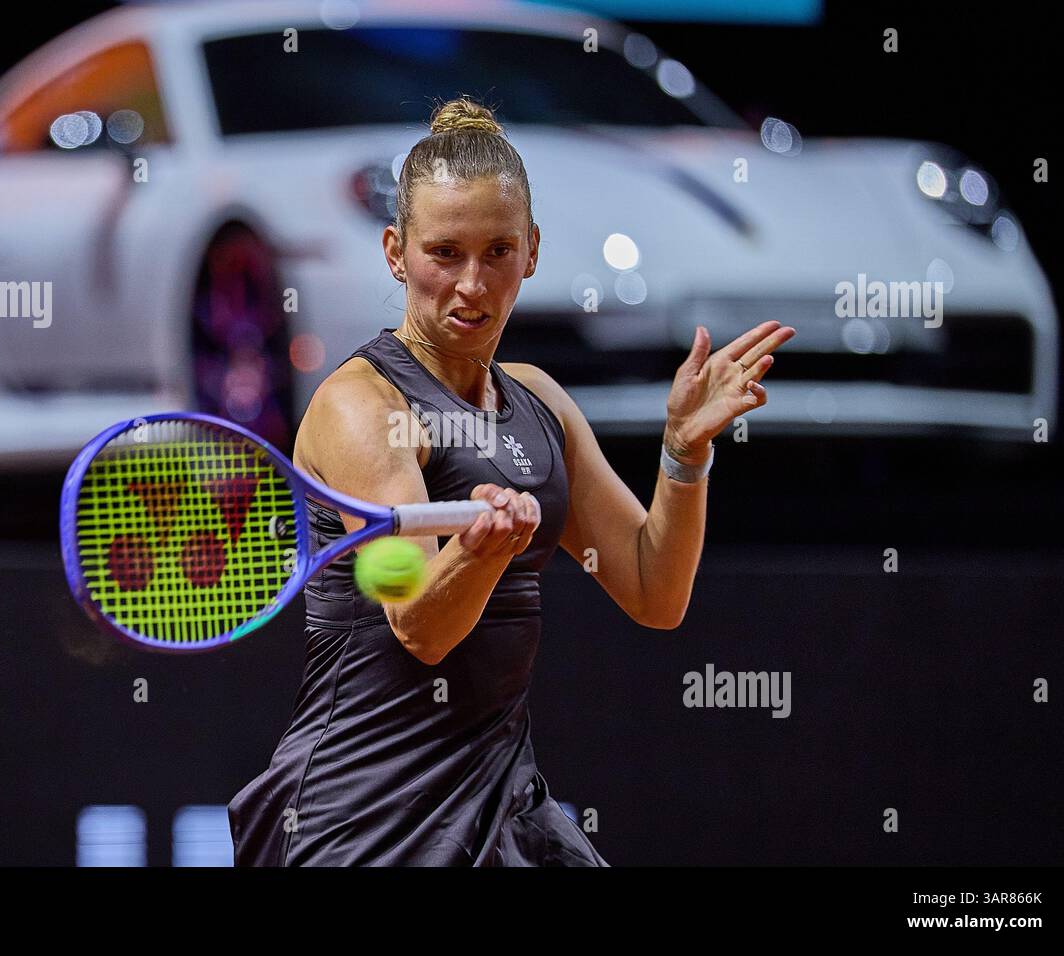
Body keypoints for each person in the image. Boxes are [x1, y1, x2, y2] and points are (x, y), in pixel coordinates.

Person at [228, 97, 794, 866]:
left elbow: (654, 590)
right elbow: (421, 628)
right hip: (360, 816)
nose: (471, 284)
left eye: (497, 251)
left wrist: (683, 454)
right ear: (396, 253)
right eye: (444, 253)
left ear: (531, 251)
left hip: (500, 802)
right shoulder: (363, 406)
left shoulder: (540, 403)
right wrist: (484, 550)